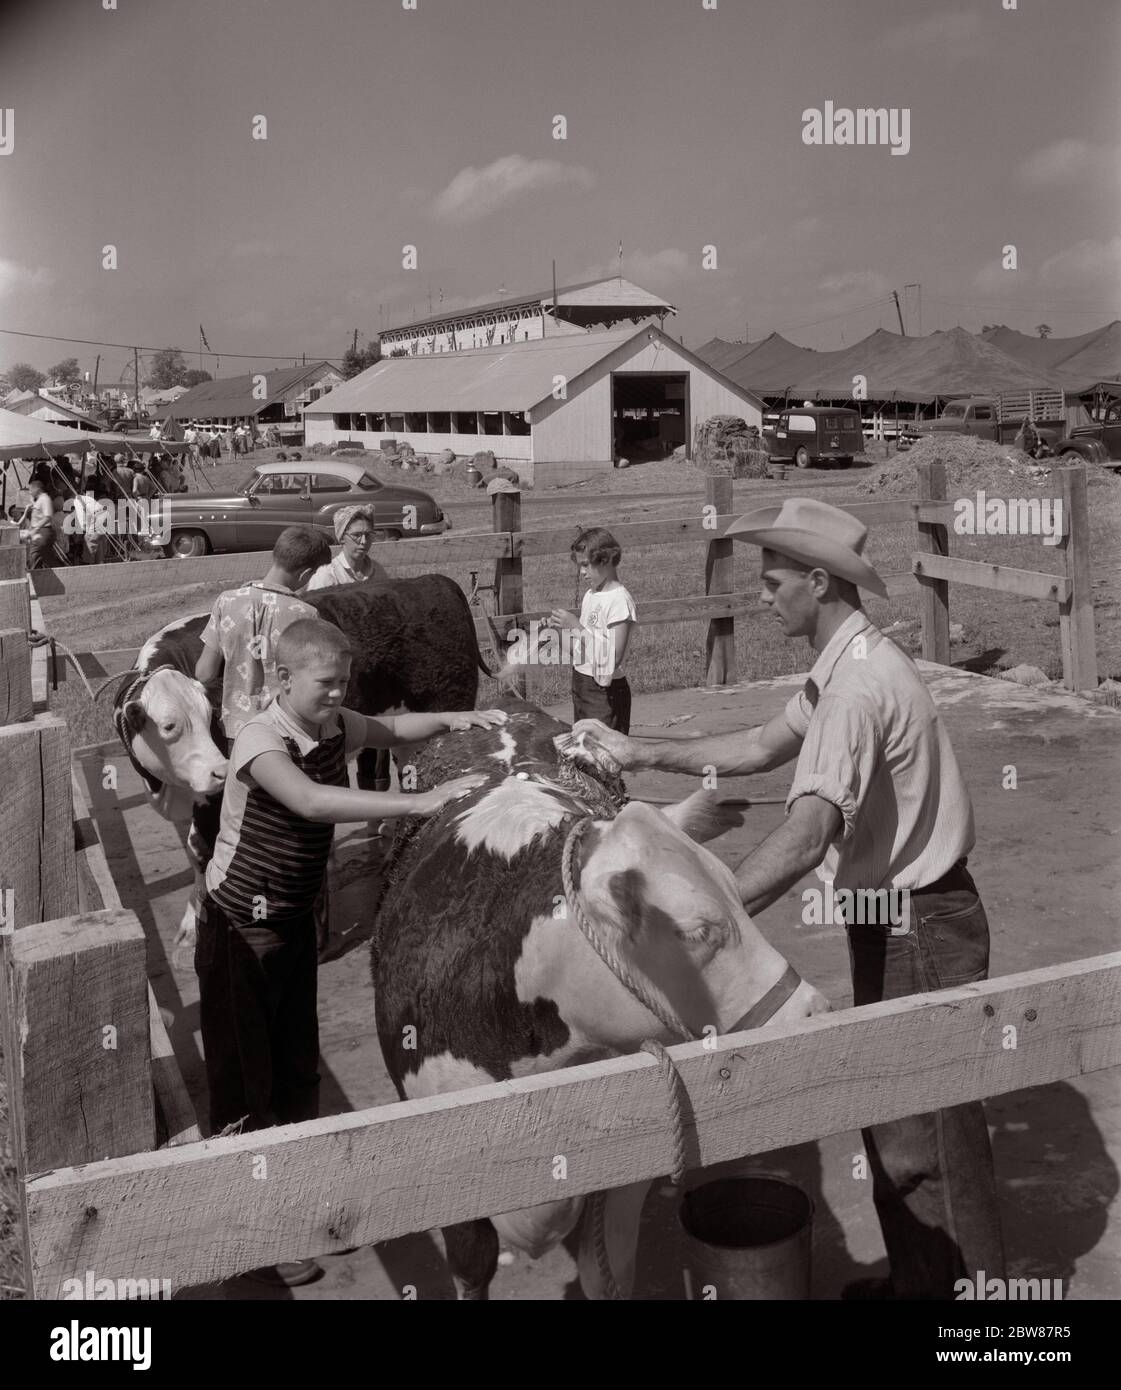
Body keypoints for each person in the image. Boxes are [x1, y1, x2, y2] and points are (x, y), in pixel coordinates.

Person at [573, 497, 1006, 1301]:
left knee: (930, 1136)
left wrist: (706, 924)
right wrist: (643, 752)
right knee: (896, 1117)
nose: (761, 597)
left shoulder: (852, 693)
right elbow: (759, 745)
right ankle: (922, 1284)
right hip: (898, 914)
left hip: (920, 921)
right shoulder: (844, 663)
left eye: (772, 583)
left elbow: (806, 834)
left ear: (817, 581)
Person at [196, 615, 502, 1285]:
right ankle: (248, 1242)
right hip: (238, 933)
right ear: (281, 678)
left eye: (344, 684)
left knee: (296, 1068)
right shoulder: (260, 737)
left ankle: (299, 1210)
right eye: (325, 684)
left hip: (293, 923)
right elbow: (307, 801)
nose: (337, 696)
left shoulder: (332, 725)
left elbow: (391, 730)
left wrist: (460, 720)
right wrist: (416, 804)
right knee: (243, 1082)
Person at [195, 526, 332, 744]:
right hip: (288, 731)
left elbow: (204, 673)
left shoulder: (226, 601)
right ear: (305, 574)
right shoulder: (306, 615)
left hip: (239, 732)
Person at [305, 506, 392, 791]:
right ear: (343, 537)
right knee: (335, 737)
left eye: (369, 535)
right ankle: (336, 802)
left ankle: (377, 812)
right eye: (356, 536)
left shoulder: (378, 572)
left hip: (373, 670)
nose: (363, 542)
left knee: (378, 736)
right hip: (337, 670)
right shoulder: (325, 577)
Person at [548, 527, 636, 735]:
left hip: (605, 692)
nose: (582, 572)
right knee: (584, 749)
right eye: (580, 566)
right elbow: (582, 650)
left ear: (605, 560)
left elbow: (612, 657)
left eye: (586, 565)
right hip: (582, 684)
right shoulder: (591, 595)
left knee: (604, 754)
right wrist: (557, 633)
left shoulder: (619, 601)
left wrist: (577, 627)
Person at [17, 477, 57, 569]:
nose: (30, 492)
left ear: (37, 489)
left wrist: (36, 529)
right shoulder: (39, 500)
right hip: (39, 531)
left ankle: (31, 578)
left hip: (42, 532)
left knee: (33, 556)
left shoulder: (45, 499)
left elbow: (48, 516)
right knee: (43, 559)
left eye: (31, 489)